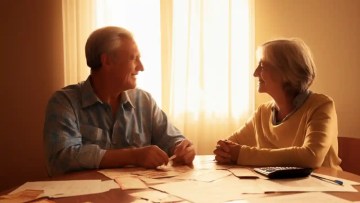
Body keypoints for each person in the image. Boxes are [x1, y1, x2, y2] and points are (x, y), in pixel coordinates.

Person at [44, 26, 195, 176]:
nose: (141, 67)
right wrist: (133, 156)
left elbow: (173, 140)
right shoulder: (64, 102)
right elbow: (61, 159)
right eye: (133, 58)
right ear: (107, 61)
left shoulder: (144, 101)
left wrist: (183, 149)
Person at [213, 38, 341, 170]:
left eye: (262, 66)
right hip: (280, 188)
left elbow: (311, 156)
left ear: (286, 72)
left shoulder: (321, 106)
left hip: (326, 187)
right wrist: (224, 152)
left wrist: (241, 154)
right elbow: (228, 147)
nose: (255, 73)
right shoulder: (262, 112)